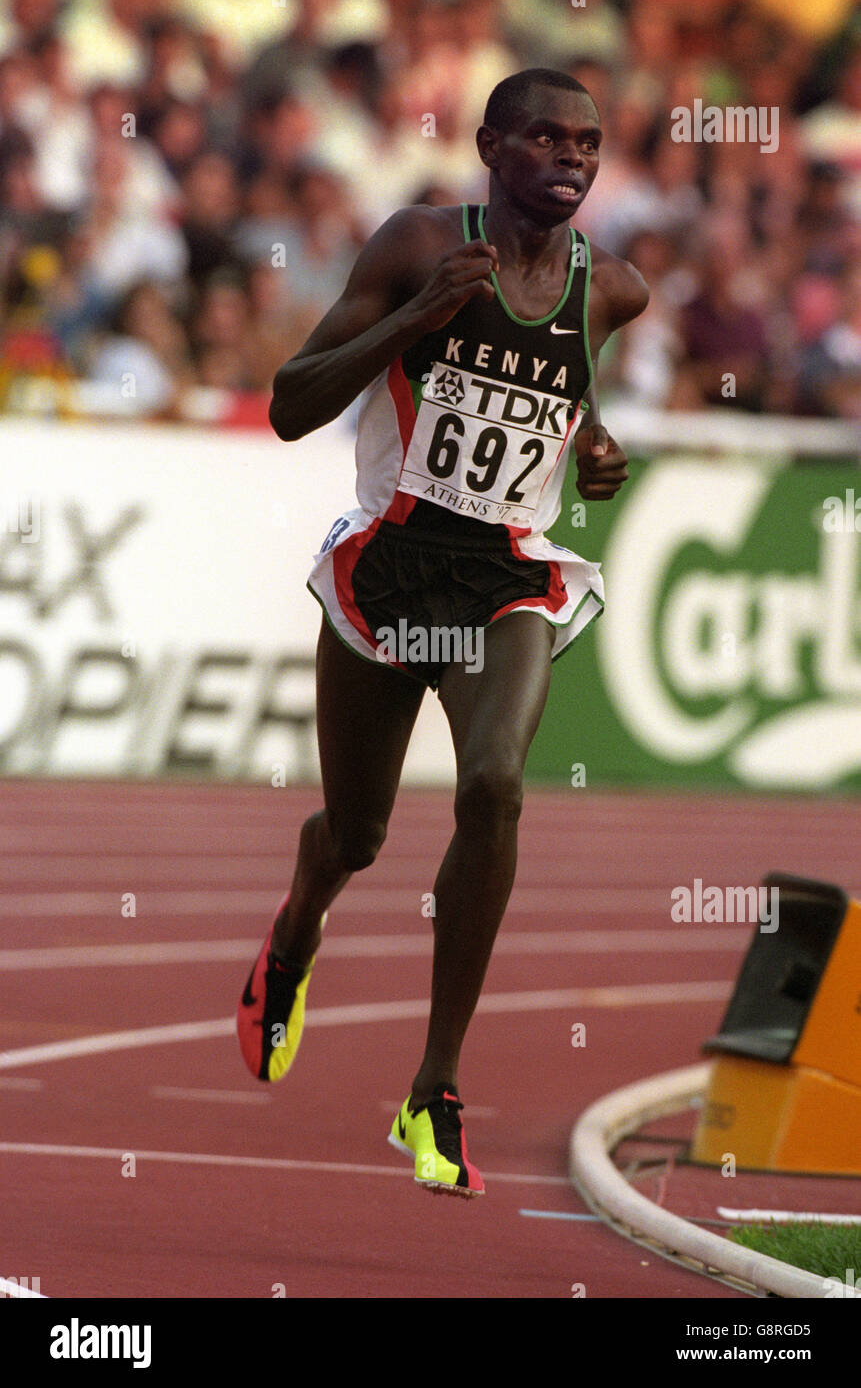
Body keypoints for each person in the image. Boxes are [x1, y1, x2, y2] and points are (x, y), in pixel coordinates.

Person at [238, 67, 648, 1198]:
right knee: (357, 835)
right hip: (391, 569)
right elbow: (289, 402)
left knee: (495, 786)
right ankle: (297, 927)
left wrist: (597, 456)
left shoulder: (613, 288)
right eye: (547, 139)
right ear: (488, 145)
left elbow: (568, 402)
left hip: (505, 576)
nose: (571, 159)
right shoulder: (417, 246)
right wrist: (420, 317)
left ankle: (434, 1083)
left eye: (590, 145)